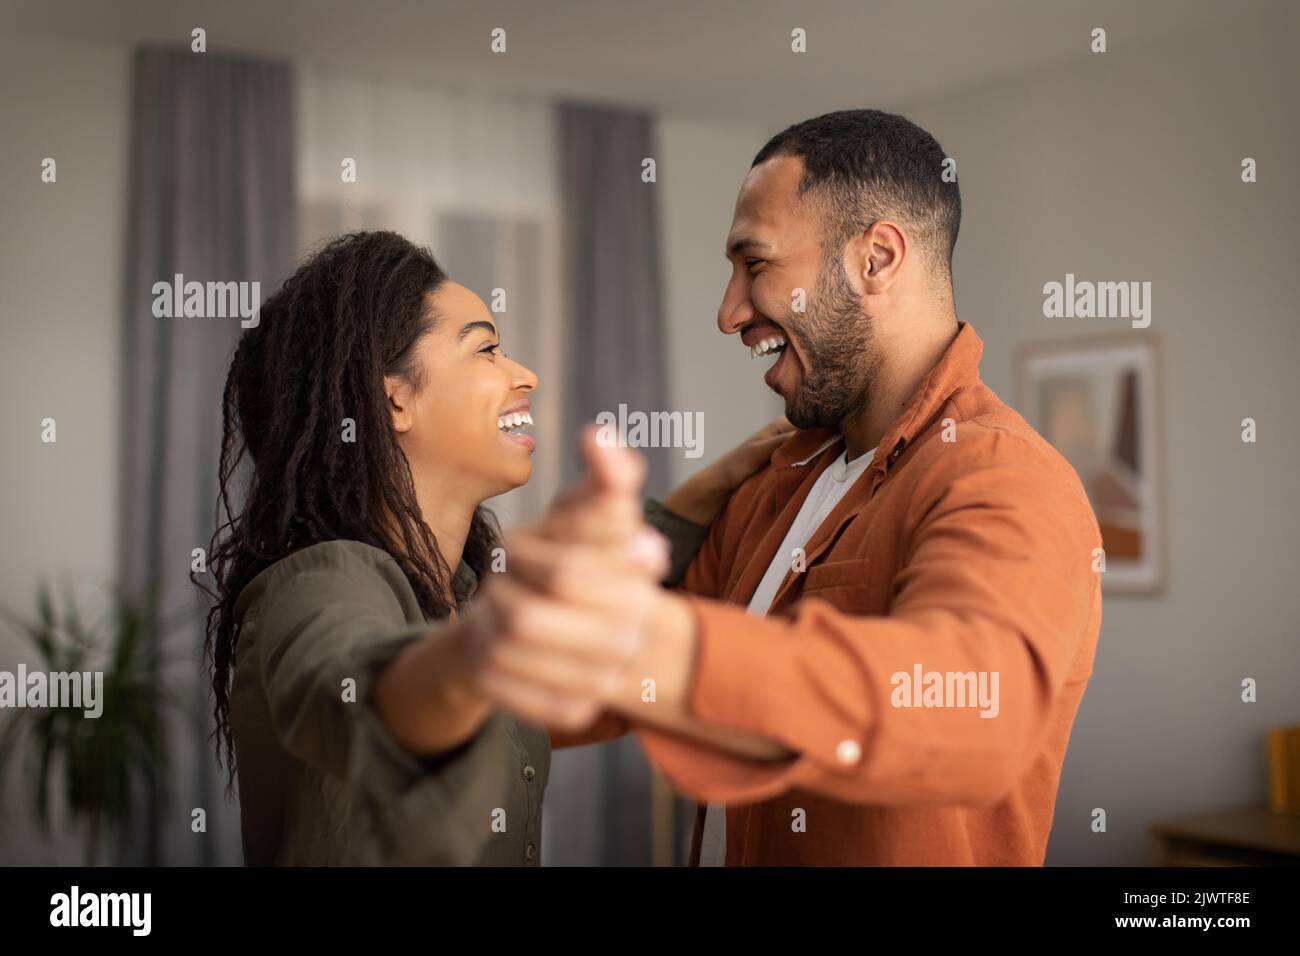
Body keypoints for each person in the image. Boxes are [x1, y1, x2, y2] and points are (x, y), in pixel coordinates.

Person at [477, 109, 1105, 866]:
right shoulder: (775, 482)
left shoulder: (1003, 475)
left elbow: (971, 708)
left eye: (756, 263)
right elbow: (600, 687)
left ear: (876, 259)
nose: (729, 312)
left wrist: (652, 642)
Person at [198, 229, 787, 865]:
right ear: (393, 395)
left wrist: (725, 477)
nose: (524, 373)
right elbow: (348, 691)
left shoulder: (464, 593)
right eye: (487, 349)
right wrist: (483, 650)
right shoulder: (324, 582)